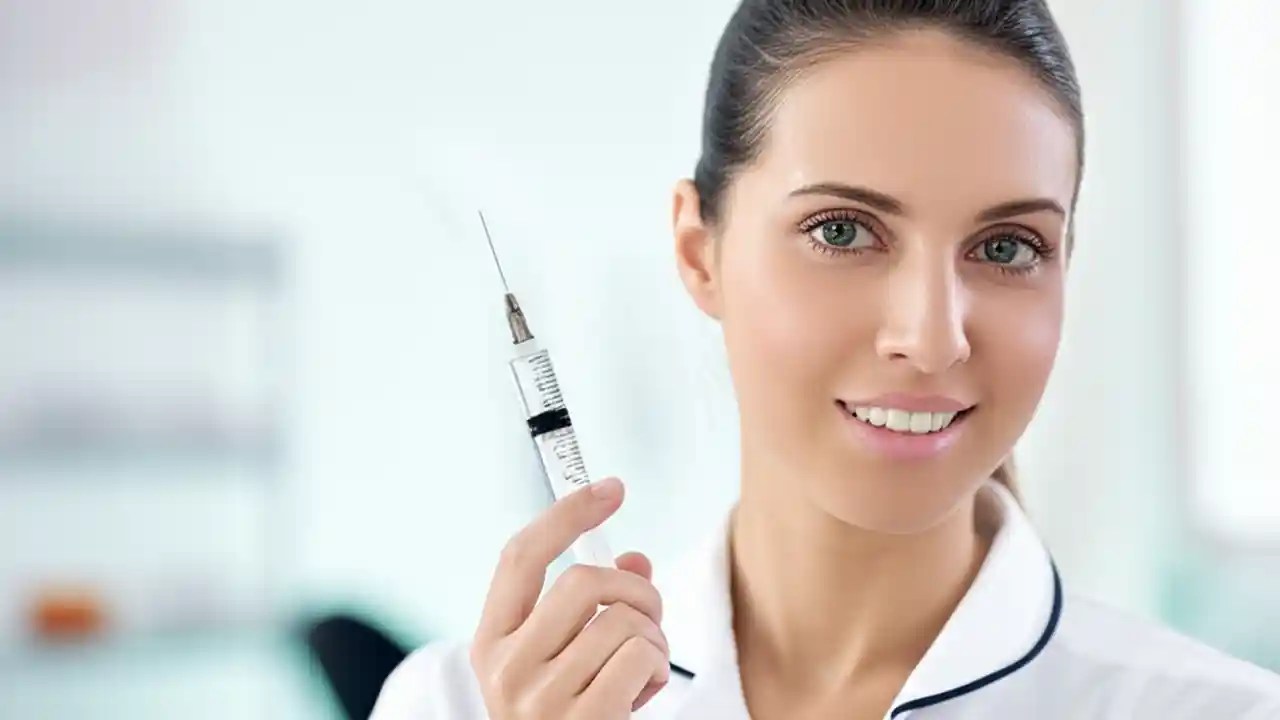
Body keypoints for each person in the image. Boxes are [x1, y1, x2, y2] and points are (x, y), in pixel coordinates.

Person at [371, 1, 1280, 718]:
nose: (931, 336)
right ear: (699, 250)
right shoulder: (458, 707)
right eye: (843, 231)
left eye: (1006, 248)